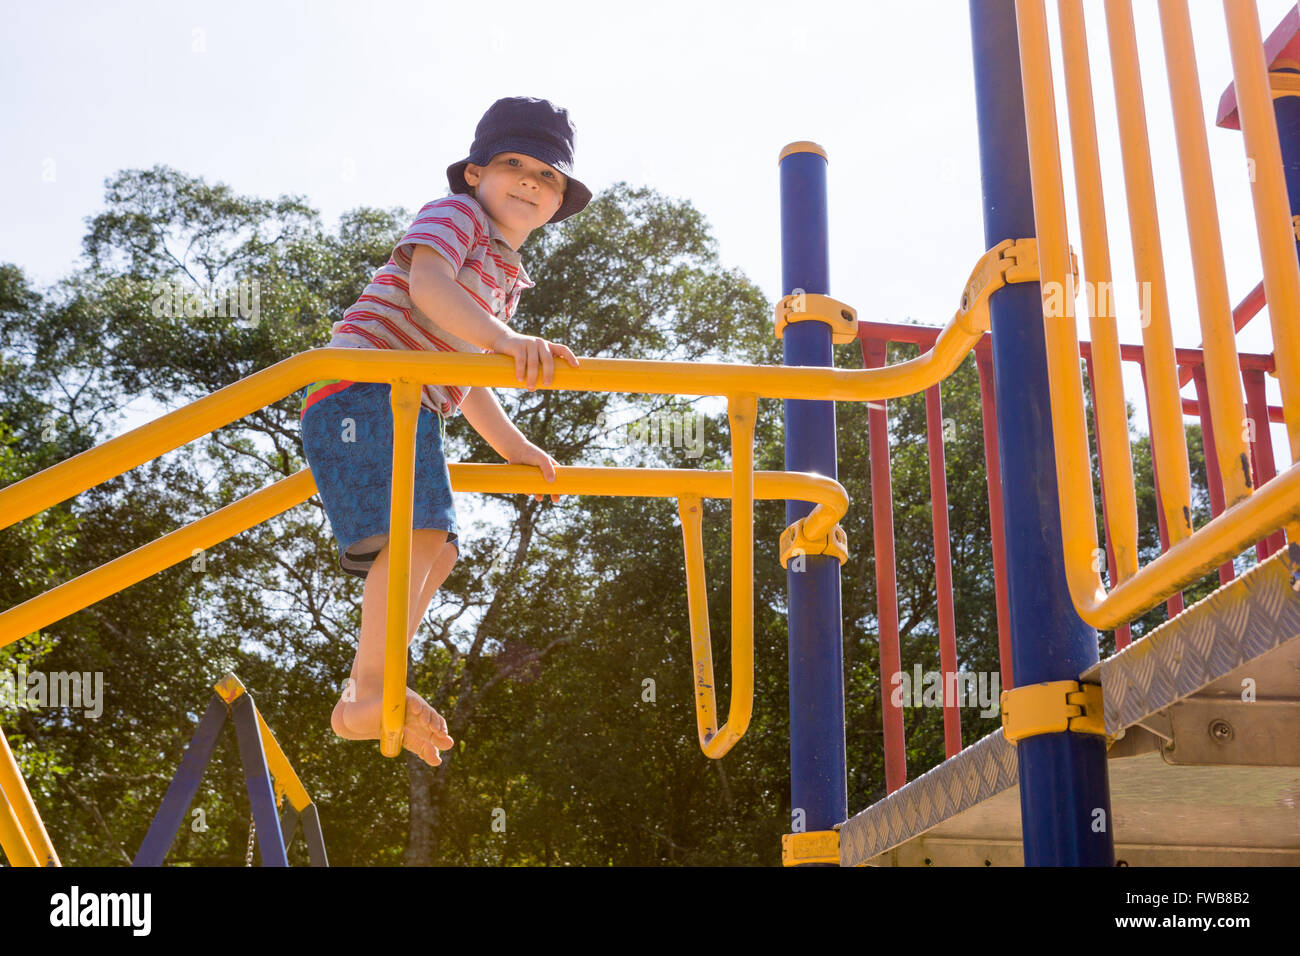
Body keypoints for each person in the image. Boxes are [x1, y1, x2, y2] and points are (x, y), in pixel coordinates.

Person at [297, 97, 592, 766]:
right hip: (363, 390)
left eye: (547, 176)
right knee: (418, 534)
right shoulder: (455, 216)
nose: (529, 181)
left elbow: (470, 371)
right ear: (473, 176)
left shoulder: (507, 276)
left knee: (442, 549)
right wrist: (503, 337)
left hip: (407, 404)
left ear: (557, 202)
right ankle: (369, 689)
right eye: (513, 164)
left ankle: (364, 691)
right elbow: (430, 288)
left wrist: (515, 447)